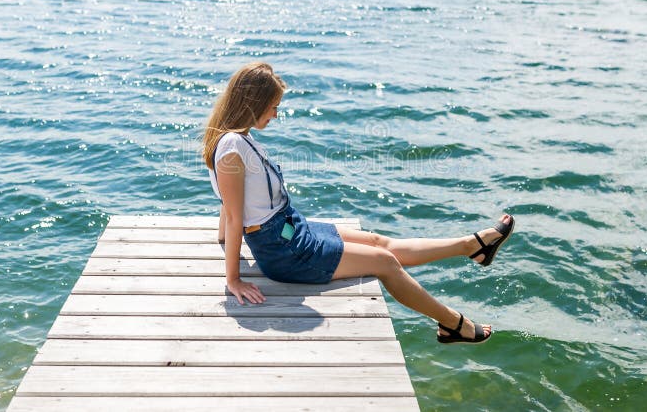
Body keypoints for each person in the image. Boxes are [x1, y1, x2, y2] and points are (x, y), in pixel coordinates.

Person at [203, 62, 515, 345]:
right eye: (273, 107)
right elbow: (233, 216)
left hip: (290, 230)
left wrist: (223, 238)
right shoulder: (232, 145)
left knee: (382, 243)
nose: (275, 115)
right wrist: (233, 279)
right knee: (385, 262)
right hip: (284, 250)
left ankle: (471, 247)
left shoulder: (236, 138)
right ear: (253, 104)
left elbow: (230, 207)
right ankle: (453, 324)